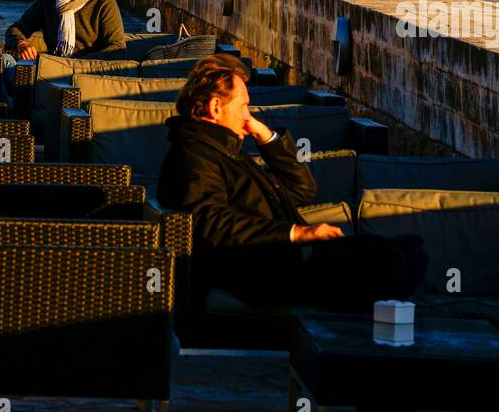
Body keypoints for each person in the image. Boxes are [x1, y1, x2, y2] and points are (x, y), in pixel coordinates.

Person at [157, 55, 427, 312]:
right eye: (243, 105)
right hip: (259, 271)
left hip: (282, 259)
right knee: (391, 264)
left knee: (411, 249)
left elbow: (303, 189)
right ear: (216, 107)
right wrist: (298, 233)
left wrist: (267, 137)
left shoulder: (226, 150)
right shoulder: (194, 155)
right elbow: (211, 223)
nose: (248, 115)